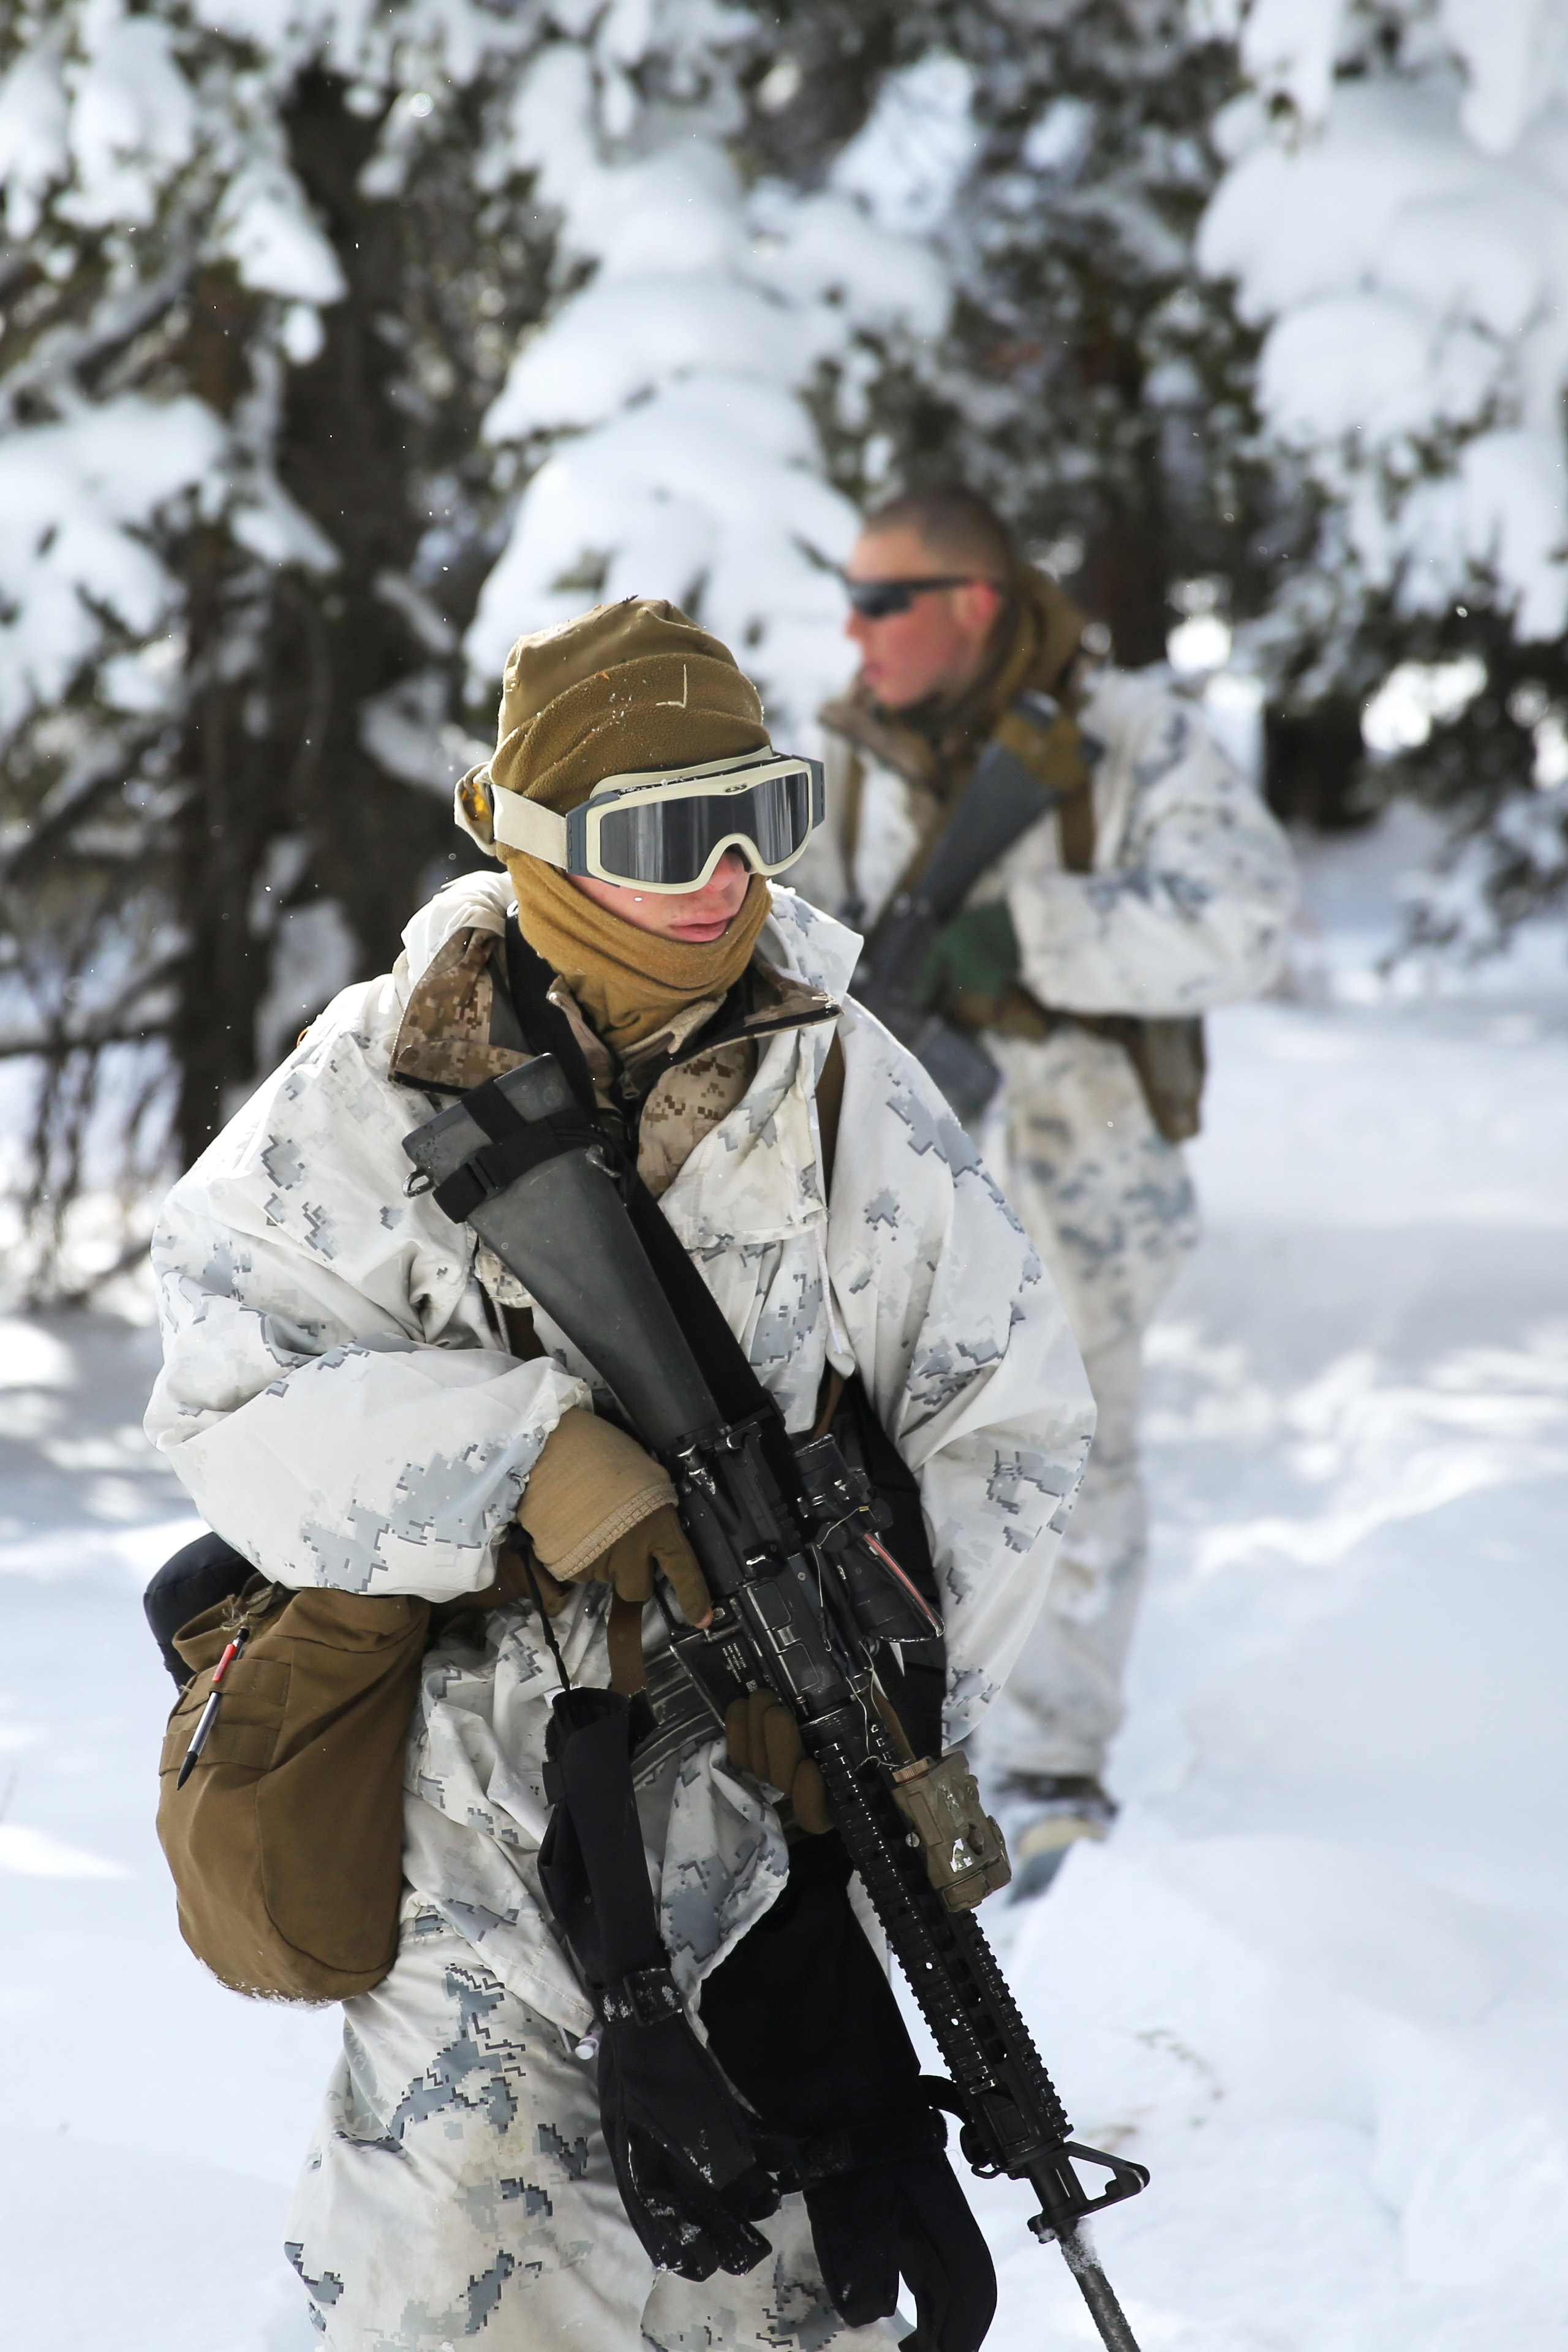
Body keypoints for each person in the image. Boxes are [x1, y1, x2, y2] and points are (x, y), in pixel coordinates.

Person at [143, 598, 1095, 2350]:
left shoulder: (833, 1080)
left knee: (783, 2281)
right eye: (668, 834)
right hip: (476, 1824)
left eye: (767, 815)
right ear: (531, 842)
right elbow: (224, 1394)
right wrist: (527, 1463)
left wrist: (903, 1705)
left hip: (770, 1814)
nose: (727, 876)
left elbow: (1005, 1416)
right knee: (460, 2276)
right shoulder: (377, 1077)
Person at [793, 486, 1295, 1893]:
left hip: (1079, 1167)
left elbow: (1244, 920)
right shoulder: (841, 756)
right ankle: (898, 1753)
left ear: (975, 602)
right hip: (898, 1175)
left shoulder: (1127, 738)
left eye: (885, 600)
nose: (856, 628)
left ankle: (1055, 1771)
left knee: (1068, 1459)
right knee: (872, 1461)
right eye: (849, 595)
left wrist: (1031, 935)